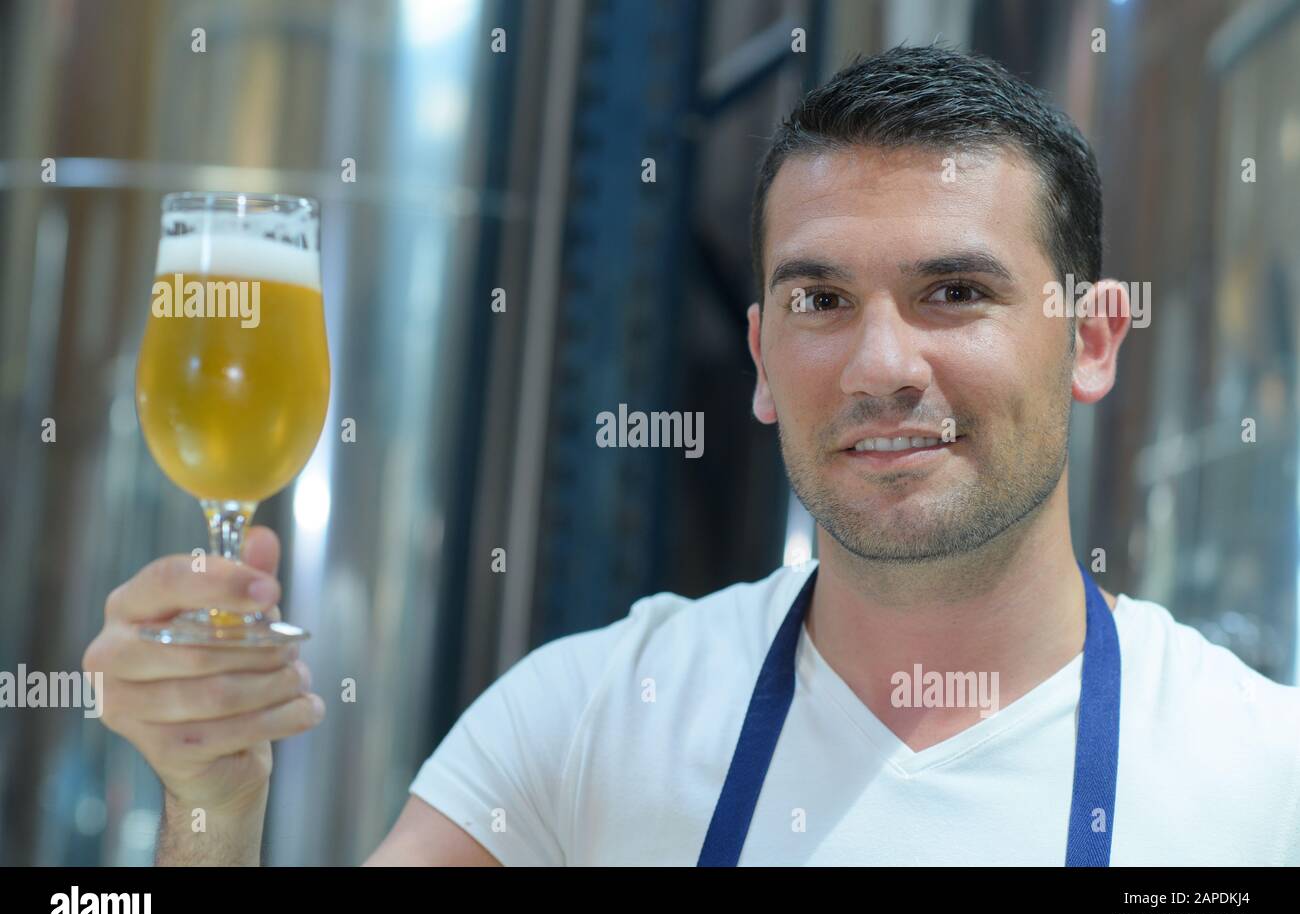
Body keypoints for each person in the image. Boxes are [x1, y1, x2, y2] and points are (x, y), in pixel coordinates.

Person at [86, 44, 1300, 866]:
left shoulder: (1259, 777)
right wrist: (210, 801)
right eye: (820, 299)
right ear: (762, 355)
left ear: (1089, 338)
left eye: (953, 290)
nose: (881, 364)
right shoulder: (586, 721)